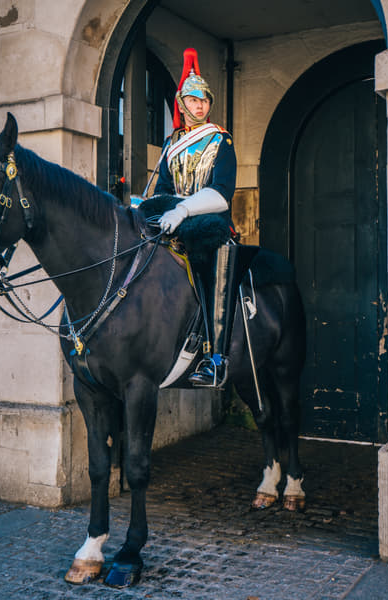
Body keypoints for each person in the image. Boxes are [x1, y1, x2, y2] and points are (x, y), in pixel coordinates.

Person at [154, 47, 252, 388]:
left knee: (207, 268)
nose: (201, 106)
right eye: (194, 100)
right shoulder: (170, 145)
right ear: (182, 104)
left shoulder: (220, 140)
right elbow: (163, 189)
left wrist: (183, 209)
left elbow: (222, 193)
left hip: (208, 221)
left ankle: (214, 357)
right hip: (174, 222)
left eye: (205, 100)